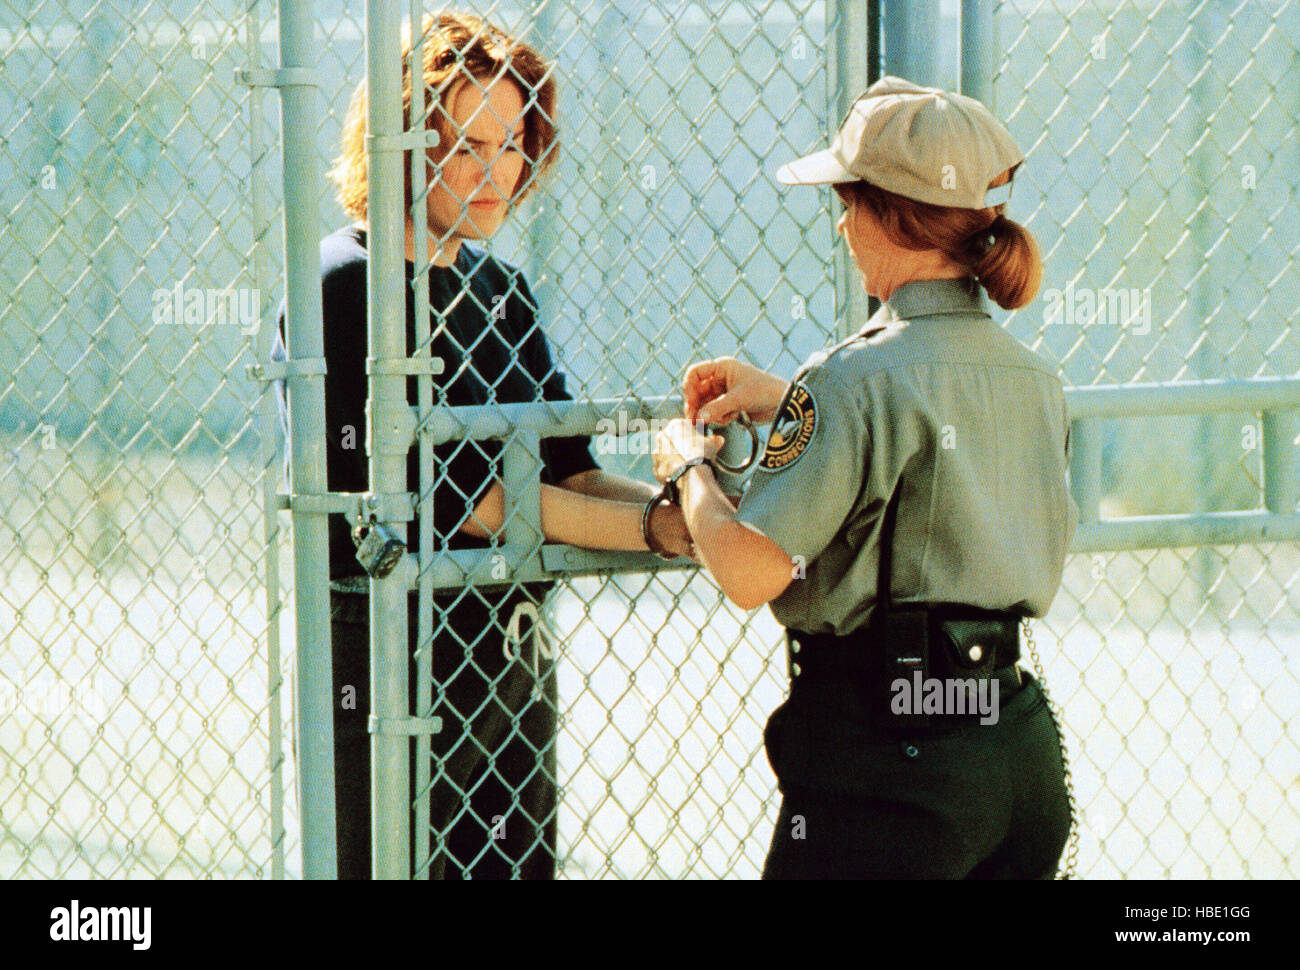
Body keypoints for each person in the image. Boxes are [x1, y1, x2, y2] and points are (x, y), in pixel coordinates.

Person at [272, 11, 692, 879]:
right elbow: (469, 502)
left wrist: (679, 508)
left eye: (511, 144)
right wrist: (656, 533)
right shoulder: (342, 284)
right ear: (401, 143)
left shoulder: (502, 287)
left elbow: (567, 468)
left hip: (508, 665)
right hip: (396, 663)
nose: (496, 171)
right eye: (465, 144)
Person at [652, 76, 1079, 879]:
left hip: (890, 773)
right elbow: (933, 451)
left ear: (887, 212)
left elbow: (749, 569)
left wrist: (689, 468)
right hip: (1012, 756)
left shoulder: (849, 379)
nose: (843, 225)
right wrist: (792, 400)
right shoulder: (1032, 378)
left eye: (848, 203)